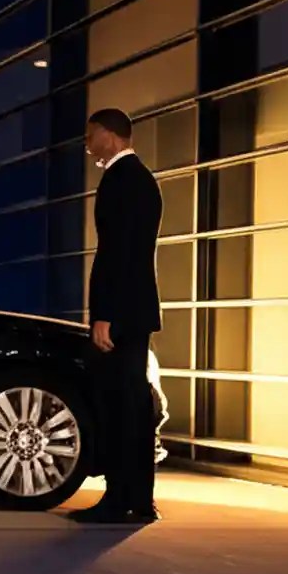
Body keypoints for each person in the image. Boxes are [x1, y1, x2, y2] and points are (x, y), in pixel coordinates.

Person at [69, 108, 164, 525]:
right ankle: (140, 499)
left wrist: (104, 315)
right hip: (136, 309)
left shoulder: (122, 180)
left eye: (91, 136)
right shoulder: (141, 179)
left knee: (120, 405)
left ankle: (119, 499)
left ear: (110, 135)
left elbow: (117, 253)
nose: (87, 144)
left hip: (121, 312)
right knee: (136, 405)